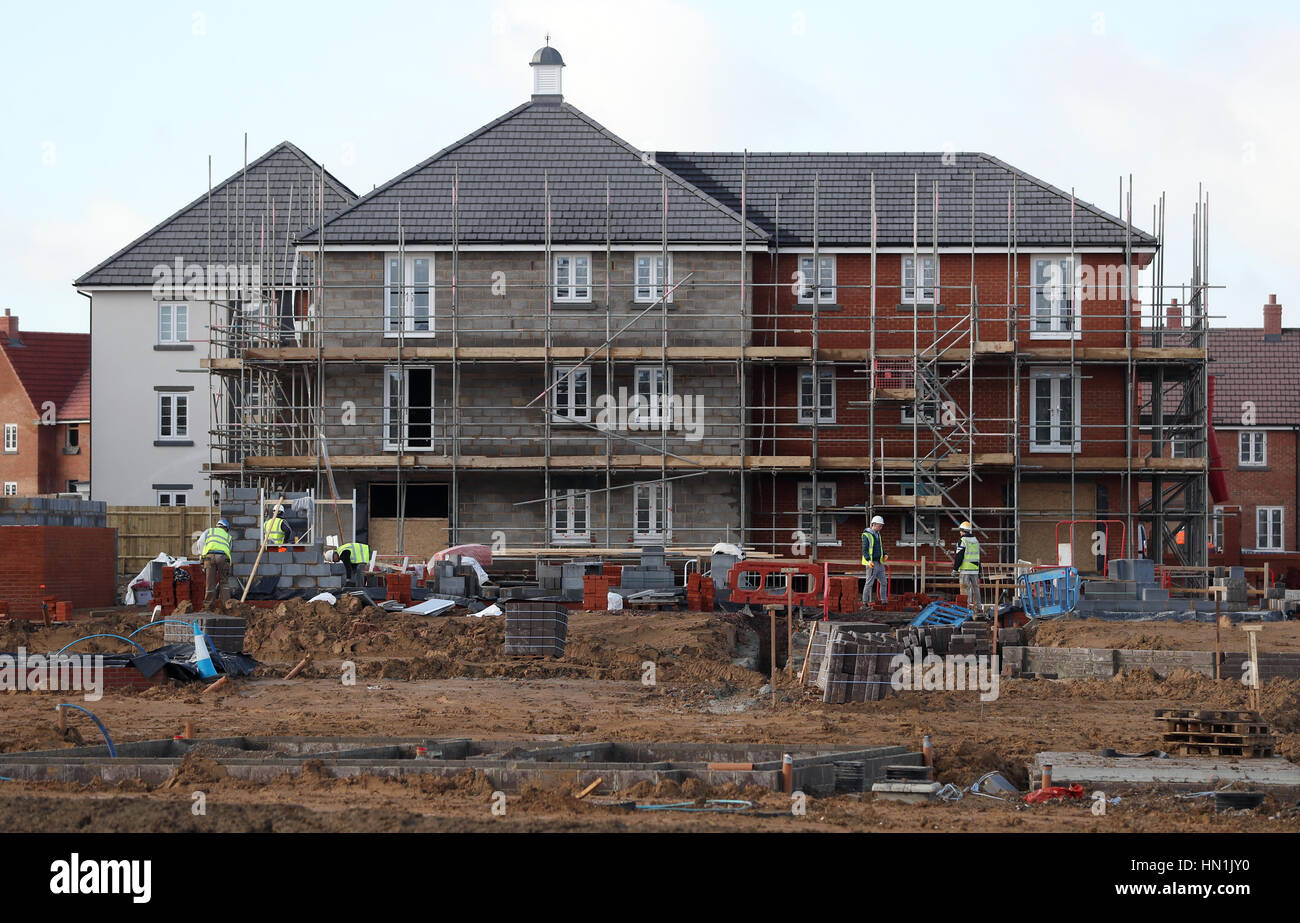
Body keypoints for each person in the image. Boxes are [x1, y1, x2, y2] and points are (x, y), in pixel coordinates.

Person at [200, 518, 234, 610]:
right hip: (223, 558)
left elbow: (200, 542)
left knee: (210, 583)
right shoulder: (228, 536)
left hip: (209, 557)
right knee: (224, 583)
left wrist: (202, 557)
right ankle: (226, 606)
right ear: (226, 528)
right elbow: (229, 550)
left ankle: (208, 607)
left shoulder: (209, 531)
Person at [952, 520, 982, 618]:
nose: (960, 532)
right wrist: (980, 570)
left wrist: (955, 569)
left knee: (965, 590)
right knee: (976, 589)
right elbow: (978, 557)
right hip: (975, 569)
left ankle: (967, 609)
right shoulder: (975, 540)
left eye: (960, 530)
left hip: (965, 570)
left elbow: (959, 556)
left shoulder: (962, 541)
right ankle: (979, 608)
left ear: (963, 531)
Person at [861, 514, 888, 608]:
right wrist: (869, 560)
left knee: (884, 582)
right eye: (880, 525)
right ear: (874, 524)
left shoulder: (878, 535)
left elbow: (879, 547)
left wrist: (884, 554)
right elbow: (864, 549)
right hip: (872, 563)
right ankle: (864, 602)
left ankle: (884, 601)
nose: (881, 527)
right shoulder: (866, 535)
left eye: (881, 526)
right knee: (869, 583)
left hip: (879, 562)